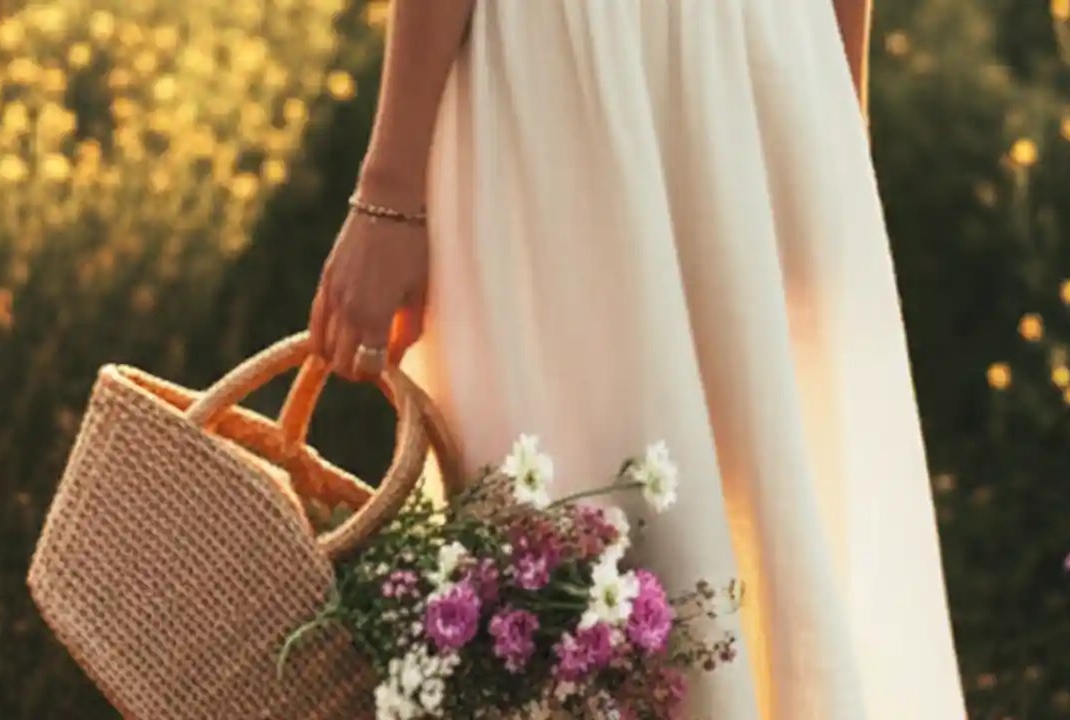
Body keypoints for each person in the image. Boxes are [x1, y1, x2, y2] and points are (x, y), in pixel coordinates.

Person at [308, 1, 966, 717]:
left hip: (731, 78)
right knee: (571, 529)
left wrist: (836, 127)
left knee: (700, 516)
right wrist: (389, 193)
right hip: (597, 88)